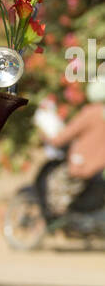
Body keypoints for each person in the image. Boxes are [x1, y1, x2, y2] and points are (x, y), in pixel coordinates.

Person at [37, 78, 105, 216]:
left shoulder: (92, 112)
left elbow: (67, 134)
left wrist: (50, 139)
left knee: (53, 184)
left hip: (82, 165)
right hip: (99, 168)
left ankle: (58, 215)